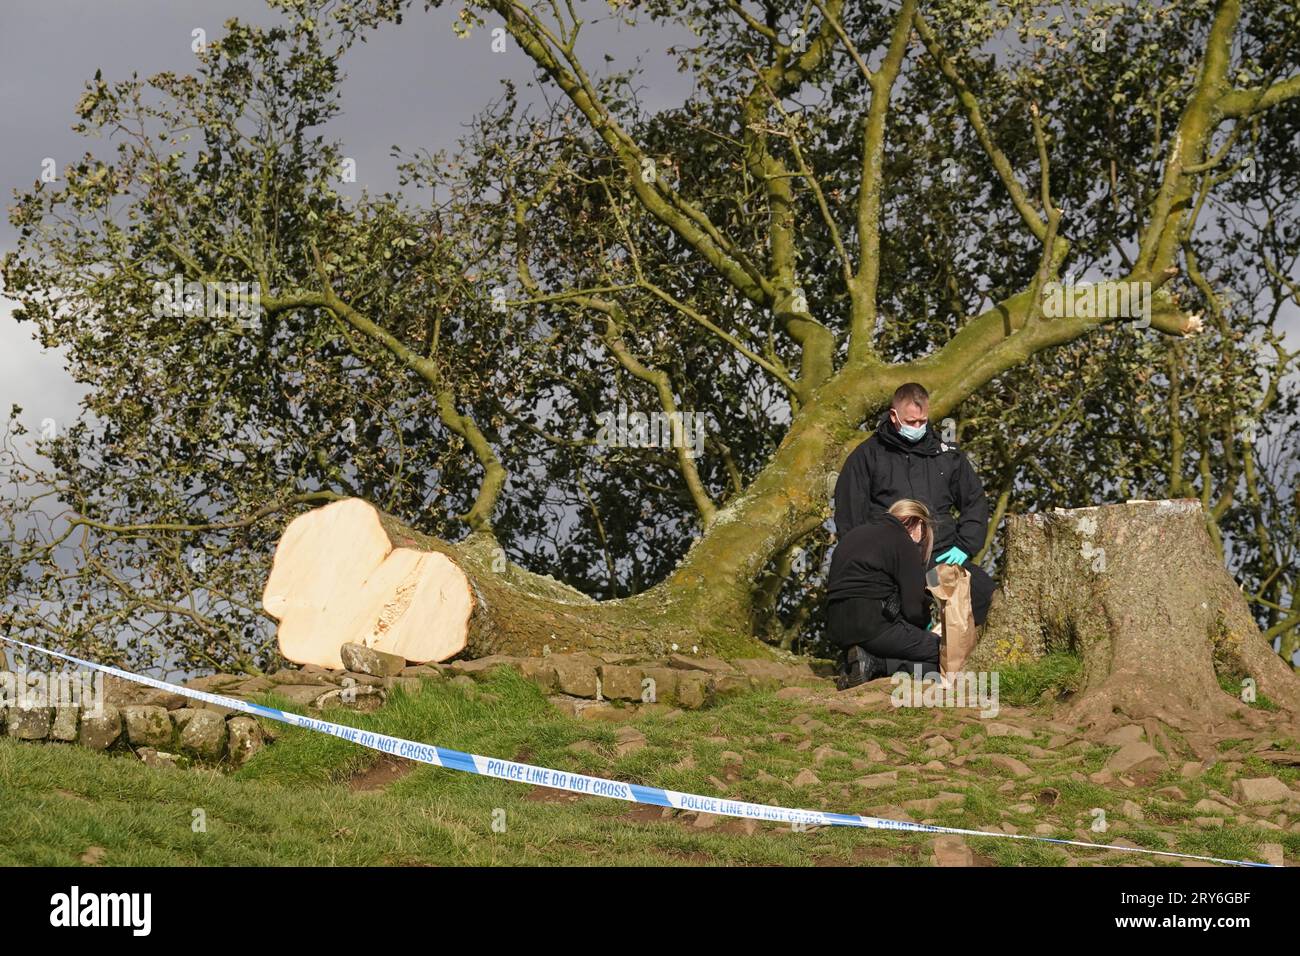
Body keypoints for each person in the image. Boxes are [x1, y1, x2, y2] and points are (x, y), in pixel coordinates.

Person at [833, 382, 996, 626]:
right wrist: (866, 559)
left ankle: (974, 660)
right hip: (887, 561)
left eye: (923, 421)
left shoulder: (947, 454)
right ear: (894, 416)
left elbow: (974, 501)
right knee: (890, 617)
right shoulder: (866, 456)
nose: (918, 427)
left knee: (984, 595)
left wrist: (965, 546)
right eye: (911, 422)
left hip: (943, 555)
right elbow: (850, 515)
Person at [827, 499, 938, 686]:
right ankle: (876, 666)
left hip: (836, 628)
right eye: (924, 535)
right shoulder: (902, 541)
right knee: (941, 652)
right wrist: (926, 624)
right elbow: (914, 609)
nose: (921, 542)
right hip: (873, 626)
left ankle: (852, 665)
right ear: (918, 523)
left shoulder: (856, 533)